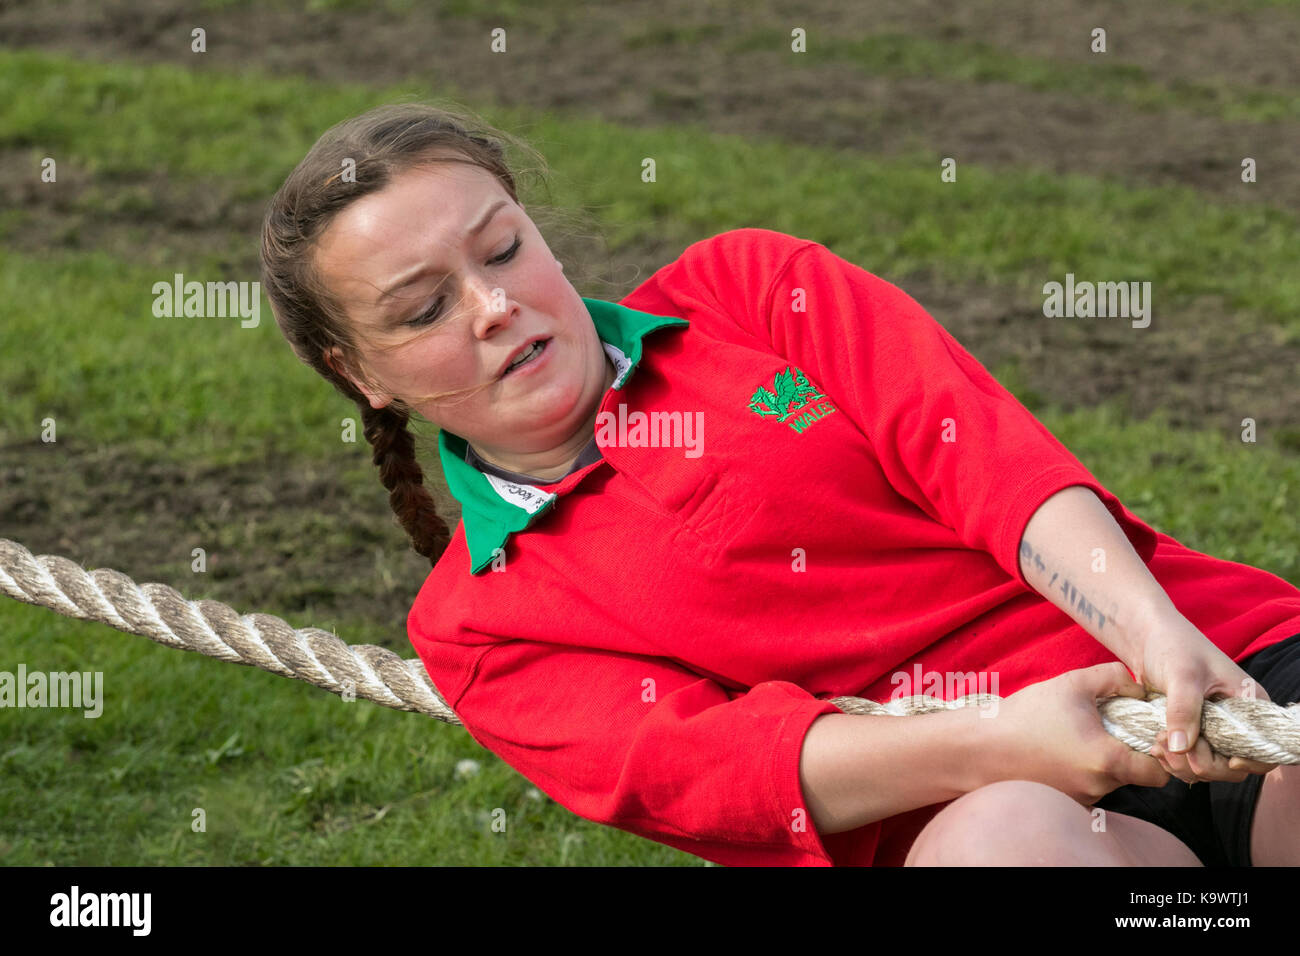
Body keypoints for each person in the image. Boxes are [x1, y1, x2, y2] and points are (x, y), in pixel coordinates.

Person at [259, 101, 1300, 867]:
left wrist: (1156, 638)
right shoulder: (479, 626)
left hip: (1217, 674)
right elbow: (718, 772)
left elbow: (978, 453)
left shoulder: (743, 291)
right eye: (422, 308)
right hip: (1004, 820)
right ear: (361, 374)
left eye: (502, 248)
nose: (493, 304)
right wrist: (1002, 739)